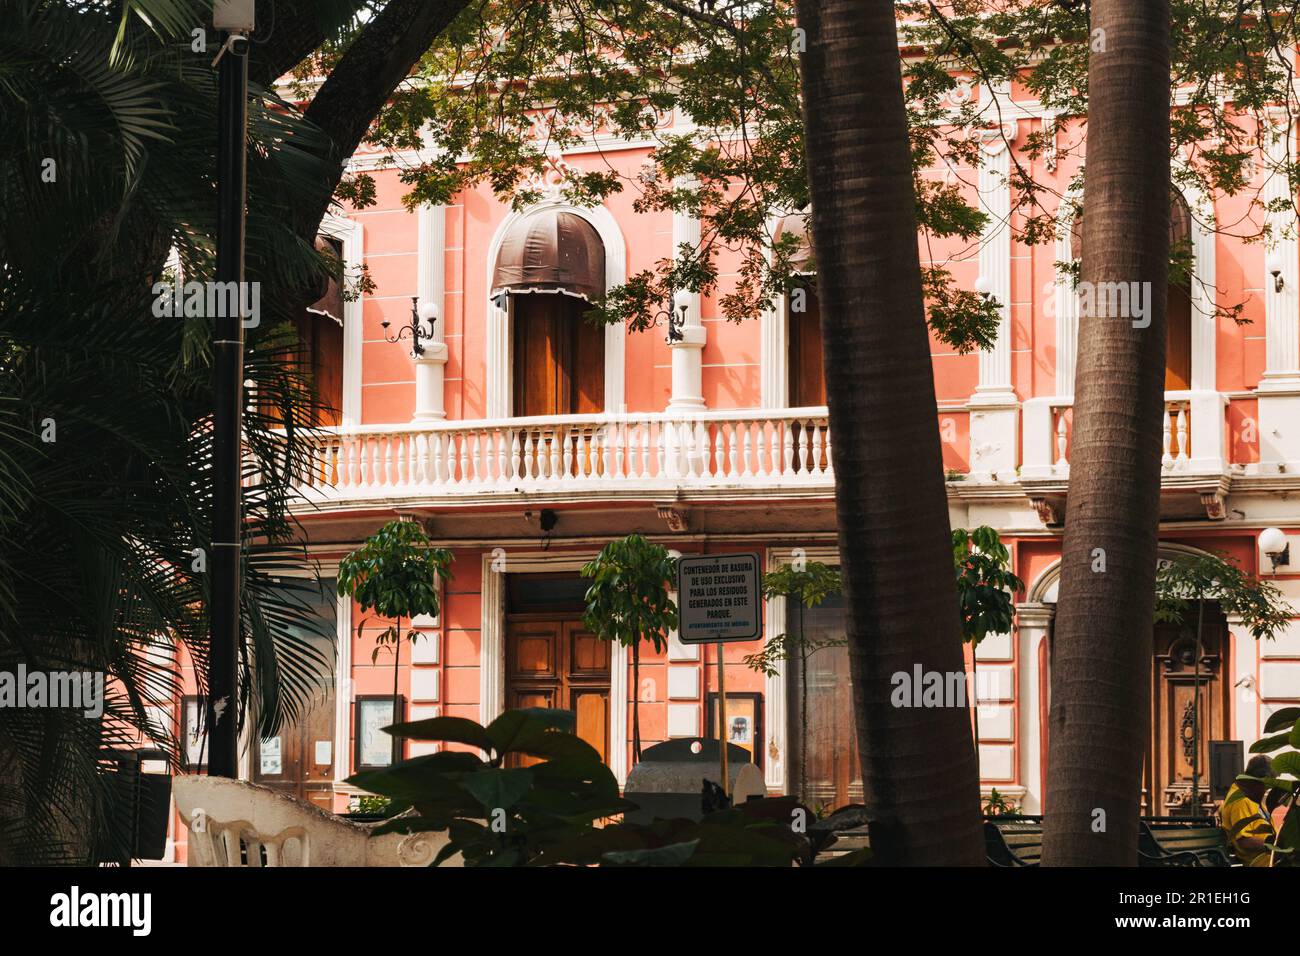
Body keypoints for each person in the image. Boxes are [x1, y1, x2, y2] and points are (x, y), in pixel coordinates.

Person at [1220, 755, 1277, 867]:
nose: (1267, 789)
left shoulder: (1247, 793)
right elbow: (1244, 842)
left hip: (1270, 857)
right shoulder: (1241, 800)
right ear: (1261, 779)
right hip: (1261, 861)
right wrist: (1275, 847)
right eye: (1268, 785)